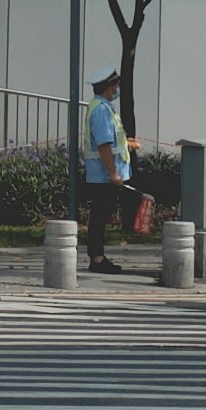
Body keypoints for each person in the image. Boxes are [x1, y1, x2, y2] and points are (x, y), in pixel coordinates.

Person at [79, 69, 133, 271]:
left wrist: (129, 143)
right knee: (99, 218)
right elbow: (103, 145)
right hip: (103, 176)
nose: (117, 89)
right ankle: (97, 259)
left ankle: (98, 257)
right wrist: (113, 173)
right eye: (115, 86)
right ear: (109, 88)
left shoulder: (102, 107)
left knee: (100, 216)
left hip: (103, 175)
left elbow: (112, 141)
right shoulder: (101, 110)